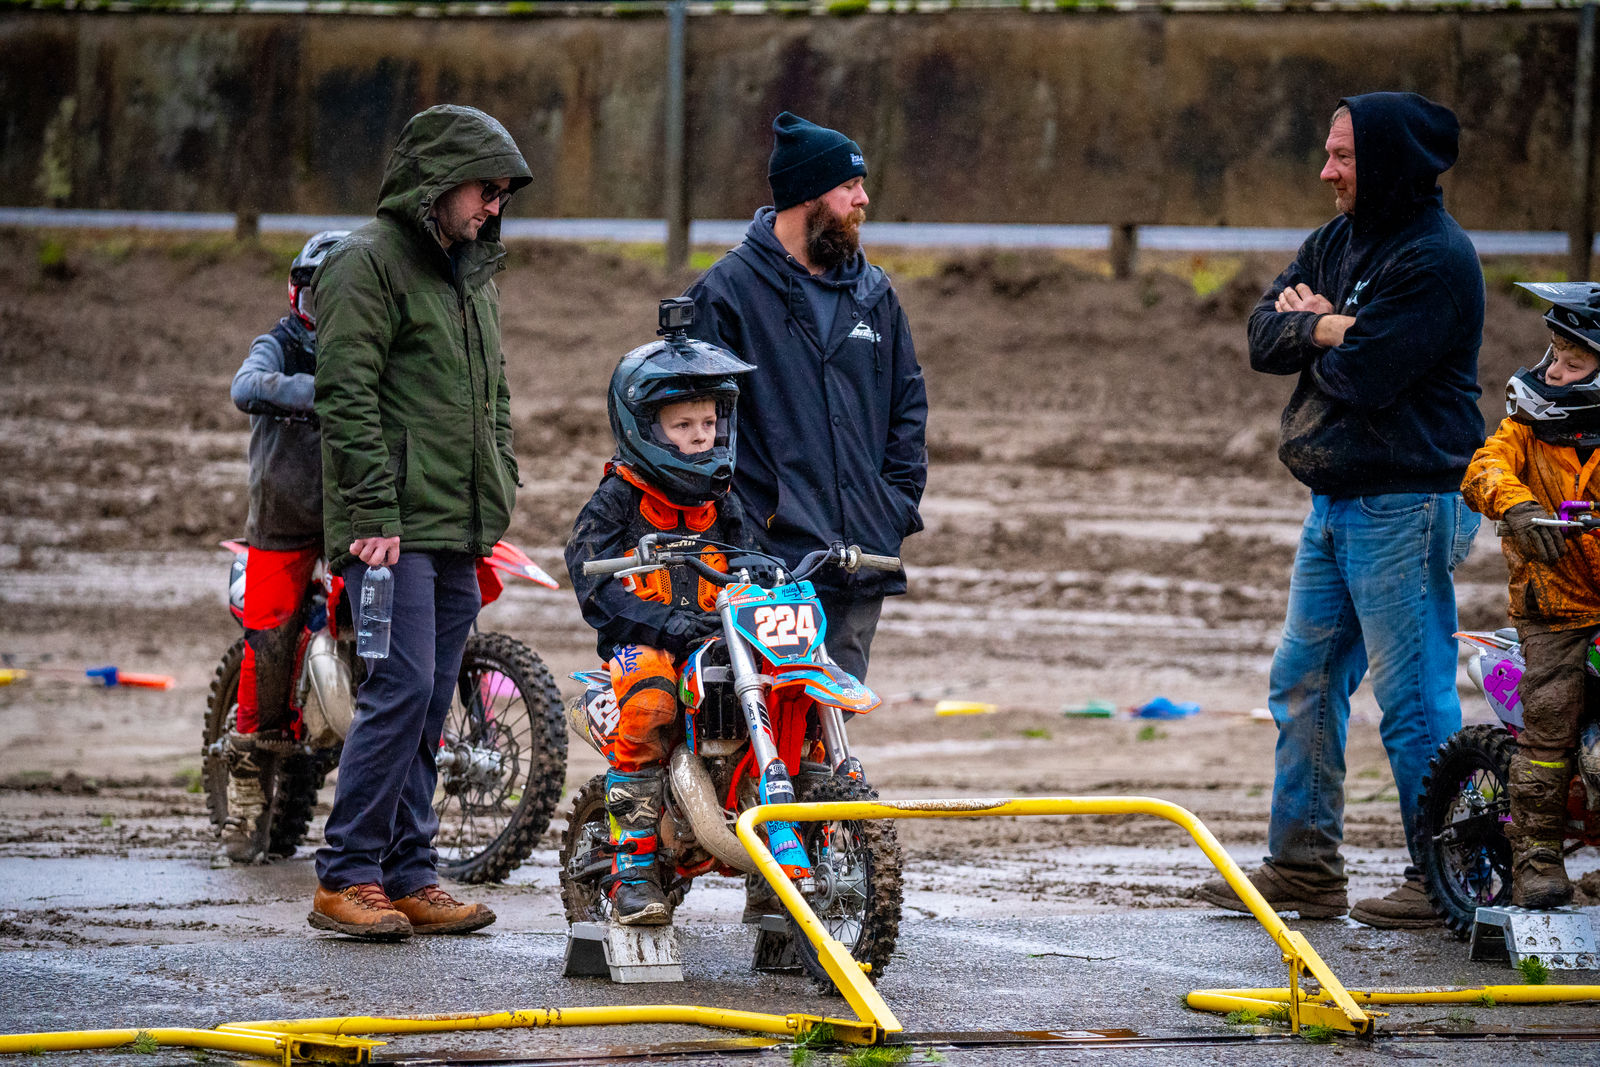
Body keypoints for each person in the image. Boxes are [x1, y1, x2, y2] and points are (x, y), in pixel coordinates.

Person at [1197, 92, 1485, 929]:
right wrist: (1330, 328)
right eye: (1328, 151)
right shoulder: (1336, 241)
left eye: (1343, 157)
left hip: (1407, 502)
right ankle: (1304, 868)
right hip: (1335, 498)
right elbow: (1261, 335)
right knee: (1303, 680)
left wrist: (1316, 327)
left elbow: (1370, 375)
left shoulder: (1436, 259)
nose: (1326, 170)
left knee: (1414, 699)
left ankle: (1450, 873)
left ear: (1388, 162)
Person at [309, 104, 530, 940]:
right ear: (438, 183)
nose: (492, 209)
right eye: (484, 190)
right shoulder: (363, 265)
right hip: (389, 531)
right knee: (398, 691)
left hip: (456, 525)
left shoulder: (470, 276)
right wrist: (371, 509)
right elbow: (346, 395)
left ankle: (408, 872)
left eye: (503, 194)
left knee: (433, 696)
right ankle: (345, 875)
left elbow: (493, 398)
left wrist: (498, 480)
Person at [684, 111, 928, 682]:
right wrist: (745, 532)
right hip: (766, 567)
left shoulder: (875, 295)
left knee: (830, 743)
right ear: (808, 196)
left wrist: (890, 508)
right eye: (849, 186)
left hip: (860, 558)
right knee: (761, 735)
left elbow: (908, 411)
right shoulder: (725, 296)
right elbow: (690, 433)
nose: (863, 199)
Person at [564, 302, 771, 925]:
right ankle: (632, 874)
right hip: (646, 644)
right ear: (646, 429)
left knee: (790, 696)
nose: (702, 437)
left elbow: (751, 556)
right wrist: (662, 623)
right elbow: (592, 579)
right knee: (652, 703)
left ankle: (779, 874)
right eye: (683, 426)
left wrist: (763, 573)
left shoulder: (723, 497)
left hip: (717, 641)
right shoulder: (619, 496)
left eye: (709, 423)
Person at [1461, 282, 1600, 909]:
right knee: (1552, 719)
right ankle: (1537, 860)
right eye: (1552, 356)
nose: (1553, 371)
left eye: (1572, 363)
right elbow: (1482, 466)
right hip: (1559, 607)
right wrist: (1516, 506)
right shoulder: (1527, 428)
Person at [220, 229, 348, 867]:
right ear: (298, 293)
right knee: (267, 642)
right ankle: (247, 787)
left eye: (343, 296)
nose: (330, 308)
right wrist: (317, 394)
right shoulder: (283, 342)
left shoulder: (376, 348)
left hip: (361, 515)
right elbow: (246, 386)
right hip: (286, 515)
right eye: (320, 294)